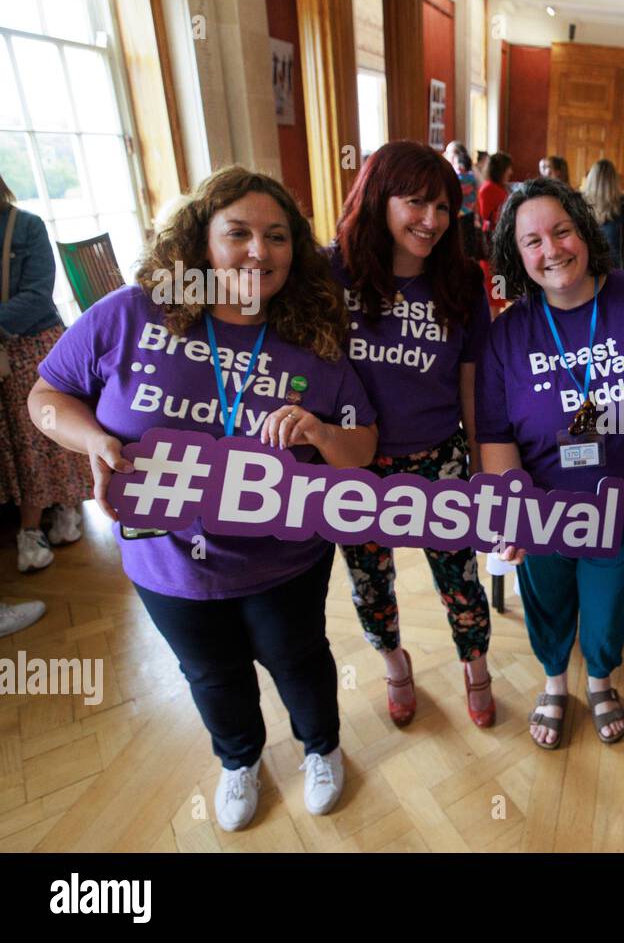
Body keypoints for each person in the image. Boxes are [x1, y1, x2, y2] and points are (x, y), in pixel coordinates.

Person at [29, 167, 379, 833]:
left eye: (277, 237)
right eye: (239, 233)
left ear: (294, 252)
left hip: (286, 559)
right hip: (166, 562)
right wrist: (95, 440)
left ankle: (321, 748)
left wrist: (324, 433)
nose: (260, 251)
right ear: (200, 241)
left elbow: (362, 448)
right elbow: (46, 397)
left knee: (299, 659)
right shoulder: (132, 314)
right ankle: (239, 759)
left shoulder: (313, 335)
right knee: (209, 673)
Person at [476, 177, 624, 750]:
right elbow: (496, 435)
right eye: (532, 242)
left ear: (583, 230)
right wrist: (511, 512)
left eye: (561, 230)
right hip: (544, 508)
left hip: (623, 503)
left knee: (607, 604)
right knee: (546, 601)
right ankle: (554, 683)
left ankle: (599, 679)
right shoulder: (507, 335)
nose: (551, 249)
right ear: (517, 257)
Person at [331, 141, 495, 730]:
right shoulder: (335, 273)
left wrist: (482, 470)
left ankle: (476, 669)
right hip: (354, 462)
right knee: (369, 582)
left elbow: (472, 383)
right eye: (417, 202)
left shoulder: (461, 281)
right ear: (379, 198)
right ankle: (396, 666)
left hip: (440, 459)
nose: (433, 220)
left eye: (445, 207)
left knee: (460, 579)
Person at [0, 175, 94, 572]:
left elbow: (37, 297)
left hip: (30, 341)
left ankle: (39, 520)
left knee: (35, 433)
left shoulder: (25, 226)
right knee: (14, 441)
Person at [582, 158, 624, 273]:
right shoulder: (622, 203)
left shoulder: (580, 202)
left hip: (588, 265)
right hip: (617, 266)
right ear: (614, 180)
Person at [478, 152, 513, 311]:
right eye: (508, 168)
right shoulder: (488, 189)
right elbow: (486, 215)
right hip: (492, 243)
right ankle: (494, 318)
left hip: (499, 241)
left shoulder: (497, 187)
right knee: (493, 282)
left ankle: (497, 314)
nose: (511, 171)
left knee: (498, 281)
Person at [450, 144, 484, 260]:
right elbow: (477, 190)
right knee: (469, 237)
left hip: (459, 212)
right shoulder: (471, 176)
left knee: (461, 238)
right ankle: (470, 256)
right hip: (470, 210)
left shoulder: (455, 177)